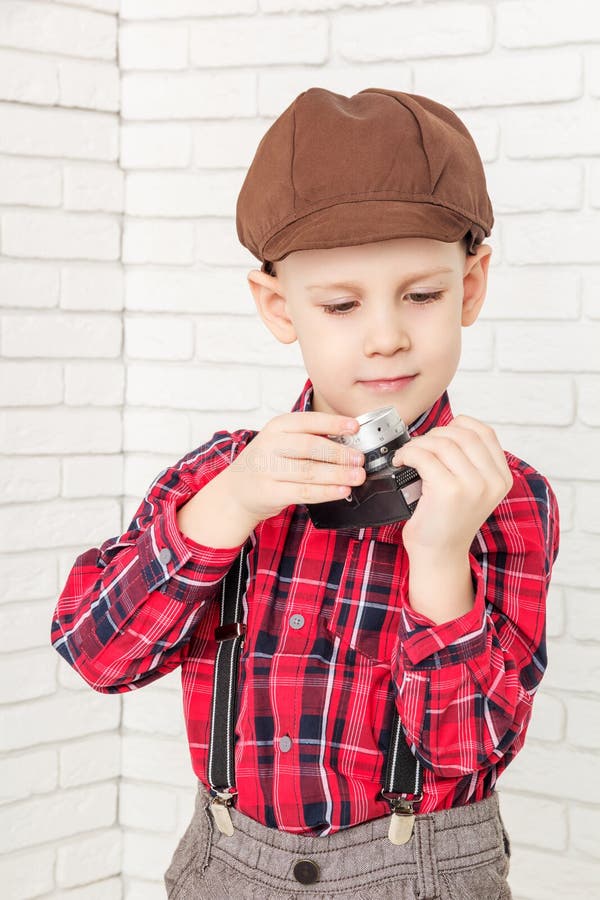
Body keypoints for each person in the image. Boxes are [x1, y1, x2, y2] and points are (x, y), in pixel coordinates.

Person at [50, 87, 561, 899]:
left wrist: (439, 559)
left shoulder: (505, 498)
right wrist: (229, 507)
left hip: (421, 873)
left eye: (422, 295)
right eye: (341, 304)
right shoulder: (218, 477)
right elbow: (96, 655)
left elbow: (470, 752)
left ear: (470, 287)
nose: (387, 336)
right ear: (278, 306)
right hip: (226, 866)